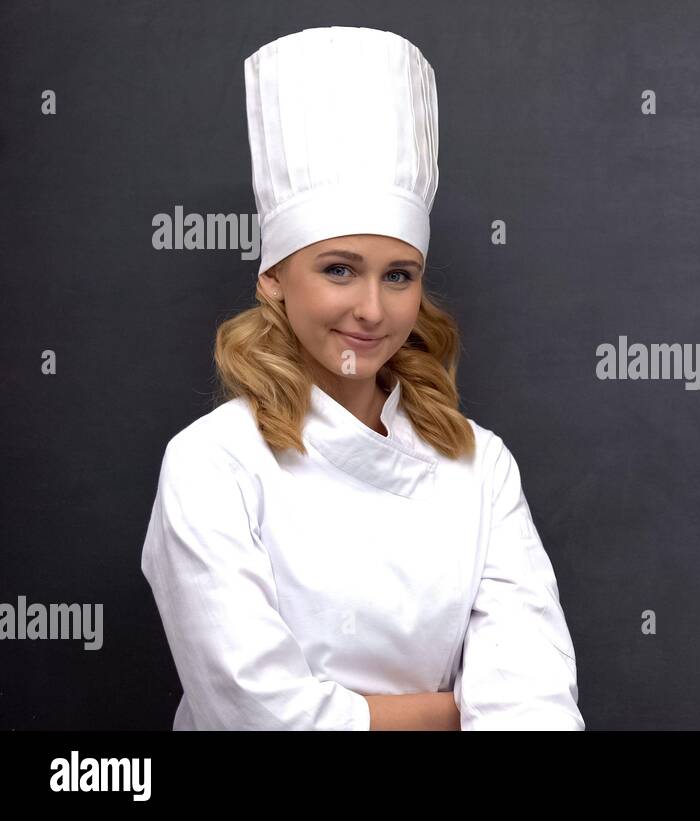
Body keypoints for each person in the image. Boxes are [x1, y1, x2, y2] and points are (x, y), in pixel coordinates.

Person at [139, 26, 583, 730]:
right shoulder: (211, 464)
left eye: (398, 276)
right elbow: (260, 717)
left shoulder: (480, 466)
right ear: (275, 279)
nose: (371, 310)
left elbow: (533, 703)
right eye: (338, 269)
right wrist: (448, 713)